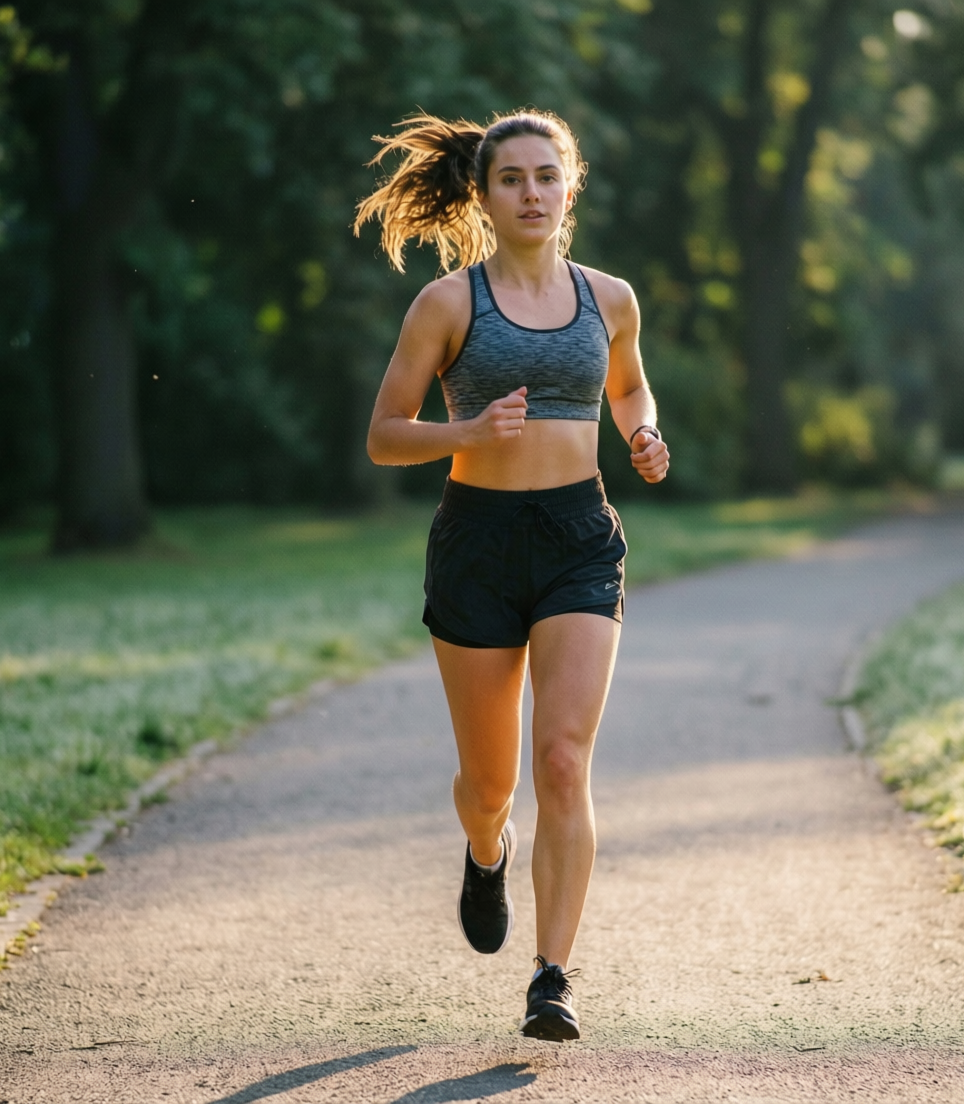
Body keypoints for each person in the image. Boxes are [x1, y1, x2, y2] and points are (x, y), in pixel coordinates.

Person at [355, 110, 669, 1041]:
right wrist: (465, 432)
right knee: (490, 783)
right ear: (483, 197)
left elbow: (628, 385)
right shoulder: (449, 305)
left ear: (570, 187)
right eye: (511, 180)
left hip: (579, 534)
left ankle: (554, 976)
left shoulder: (610, 297)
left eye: (546, 176)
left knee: (564, 760)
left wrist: (645, 434)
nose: (531, 193)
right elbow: (383, 436)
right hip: (478, 544)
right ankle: (485, 850)